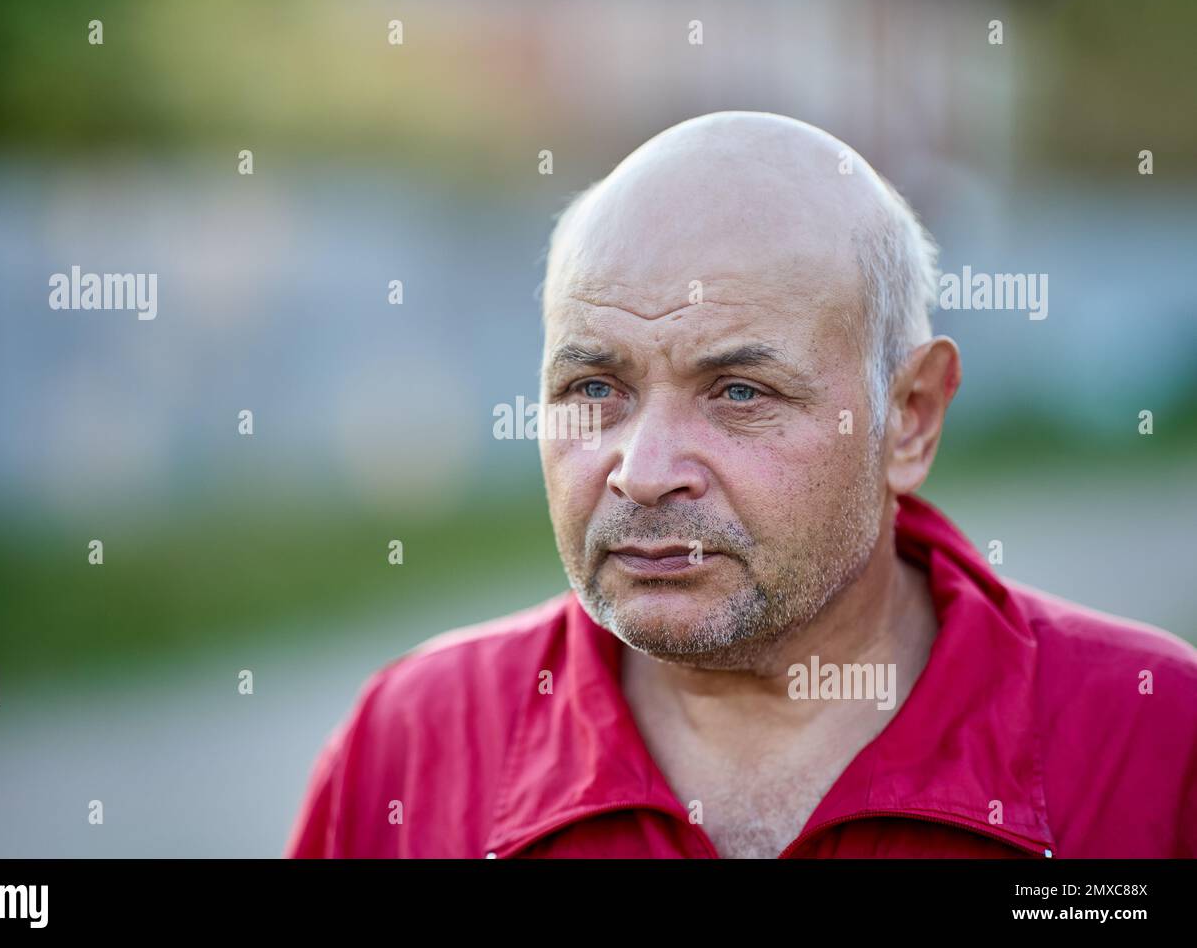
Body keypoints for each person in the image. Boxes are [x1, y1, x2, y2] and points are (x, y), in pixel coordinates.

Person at [287, 111, 1197, 858]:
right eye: (594, 389)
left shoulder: (1152, 741)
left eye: (740, 393)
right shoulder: (409, 747)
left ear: (910, 417)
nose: (642, 474)